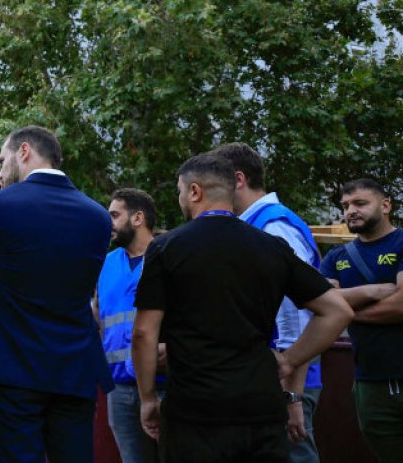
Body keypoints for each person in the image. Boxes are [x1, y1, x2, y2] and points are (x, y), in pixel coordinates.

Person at [131, 154, 352, 463]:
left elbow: (143, 333)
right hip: (259, 407)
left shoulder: (167, 247)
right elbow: (337, 310)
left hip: (194, 410)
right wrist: (289, 360)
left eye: (180, 191)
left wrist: (148, 398)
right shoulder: (270, 245)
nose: (180, 199)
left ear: (195, 191)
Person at [0, 125, 113, 462]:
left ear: (25, 151)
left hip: (11, 367)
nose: (0, 174)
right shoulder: (98, 217)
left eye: (2, 161)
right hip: (75, 368)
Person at [214, 142, 324, 460]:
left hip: (285, 382)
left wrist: (291, 392)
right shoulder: (255, 225)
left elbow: (294, 314)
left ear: (237, 180)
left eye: (213, 184)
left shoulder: (274, 226)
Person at [319, 178, 403, 462]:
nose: (350, 211)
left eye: (360, 203)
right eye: (345, 206)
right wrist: (372, 291)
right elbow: (323, 304)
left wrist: (347, 311)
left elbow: (402, 305)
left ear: (386, 205)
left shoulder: (401, 242)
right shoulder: (335, 257)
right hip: (369, 381)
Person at [98, 188, 160, 463]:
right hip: (120, 389)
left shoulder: (168, 257)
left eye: (114, 215)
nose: (108, 222)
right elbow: (99, 317)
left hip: (165, 384)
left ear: (138, 218)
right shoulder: (106, 264)